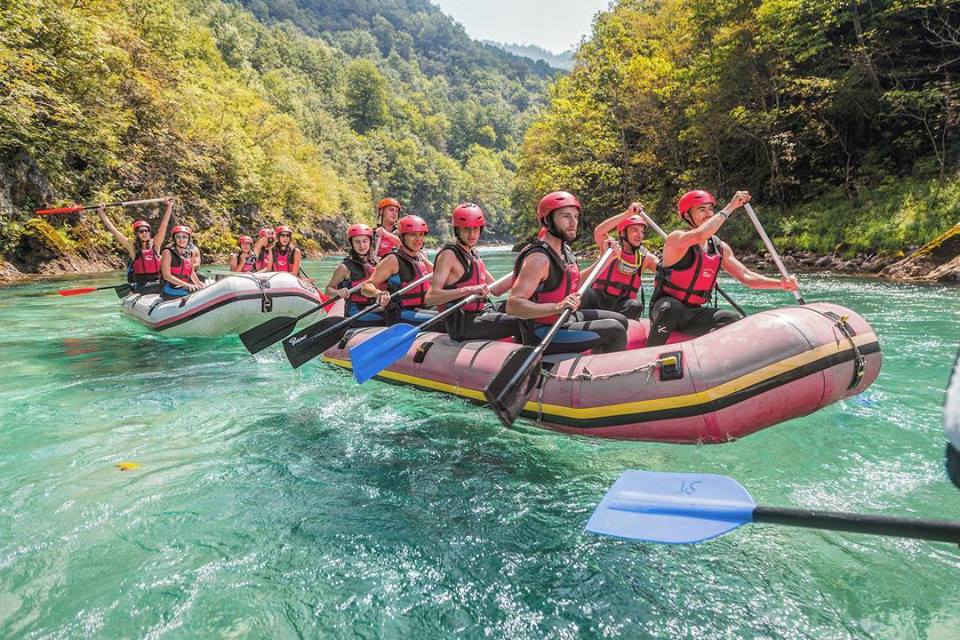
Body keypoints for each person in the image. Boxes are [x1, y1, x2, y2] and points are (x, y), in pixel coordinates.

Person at [646, 190, 799, 347]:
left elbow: (746, 276)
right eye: (701, 210)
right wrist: (730, 207)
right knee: (672, 308)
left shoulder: (720, 248)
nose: (708, 214)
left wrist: (781, 284)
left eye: (710, 209)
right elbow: (700, 235)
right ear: (686, 215)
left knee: (731, 319)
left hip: (694, 312)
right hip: (664, 308)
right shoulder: (677, 238)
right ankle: (649, 353)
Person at [506, 191, 629, 355]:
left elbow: (574, 282)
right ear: (547, 220)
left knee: (620, 320)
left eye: (576, 216)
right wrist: (557, 307)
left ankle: (593, 363)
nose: (573, 222)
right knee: (615, 330)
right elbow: (513, 306)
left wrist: (607, 259)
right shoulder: (539, 259)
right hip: (543, 332)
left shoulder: (565, 250)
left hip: (564, 319)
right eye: (565, 216)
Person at [424, 203, 520, 341]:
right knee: (521, 320)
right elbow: (431, 297)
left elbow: (497, 289)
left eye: (475, 229)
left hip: (481, 312)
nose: (472, 234)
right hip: (463, 323)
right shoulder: (449, 255)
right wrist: (469, 290)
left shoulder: (473, 255)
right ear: (457, 230)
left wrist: (522, 271)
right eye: (466, 229)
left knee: (518, 306)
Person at [580, 202, 658, 320]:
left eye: (642, 231)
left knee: (635, 305)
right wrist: (627, 214)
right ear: (622, 233)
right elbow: (599, 232)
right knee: (585, 294)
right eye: (634, 230)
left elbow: (667, 270)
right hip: (598, 301)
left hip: (621, 306)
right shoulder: (610, 249)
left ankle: (621, 331)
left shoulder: (646, 259)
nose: (639, 235)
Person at [361, 214, 437, 326]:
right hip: (402, 314)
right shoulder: (393, 259)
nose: (418, 239)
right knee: (446, 321)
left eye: (421, 235)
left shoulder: (419, 257)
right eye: (413, 235)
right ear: (402, 237)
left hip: (422, 308)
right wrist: (378, 293)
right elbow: (365, 287)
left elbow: (438, 272)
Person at [97, 197, 173, 294]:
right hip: (142, 285)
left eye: (146, 231)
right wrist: (101, 213)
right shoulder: (132, 247)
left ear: (149, 232)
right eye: (141, 231)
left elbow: (164, 225)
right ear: (137, 233)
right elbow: (114, 231)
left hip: (158, 282)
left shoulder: (156, 244)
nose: (144, 233)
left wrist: (169, 206)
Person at [324, 224, 385, 327]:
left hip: (375, 306)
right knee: (390, 315)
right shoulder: (344, 268)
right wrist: (338, 292)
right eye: (357, 242)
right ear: (352, 244)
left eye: (365, 241)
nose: (362, 246)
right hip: (356, 311)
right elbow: (328, 290)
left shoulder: (377, 262)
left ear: (370, 242)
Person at [160, 225, 205, 299]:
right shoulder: (167, 252)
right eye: (178, 237)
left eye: (184, 237)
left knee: (202, 288)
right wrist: (187, 285)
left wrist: (199, 283)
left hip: (182, 285)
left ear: (188, 239)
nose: (181, 240)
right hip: (168, 288)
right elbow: (166, 276)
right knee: (196, 292)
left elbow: (191, 272)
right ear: (174, 238)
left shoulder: (191, 253)